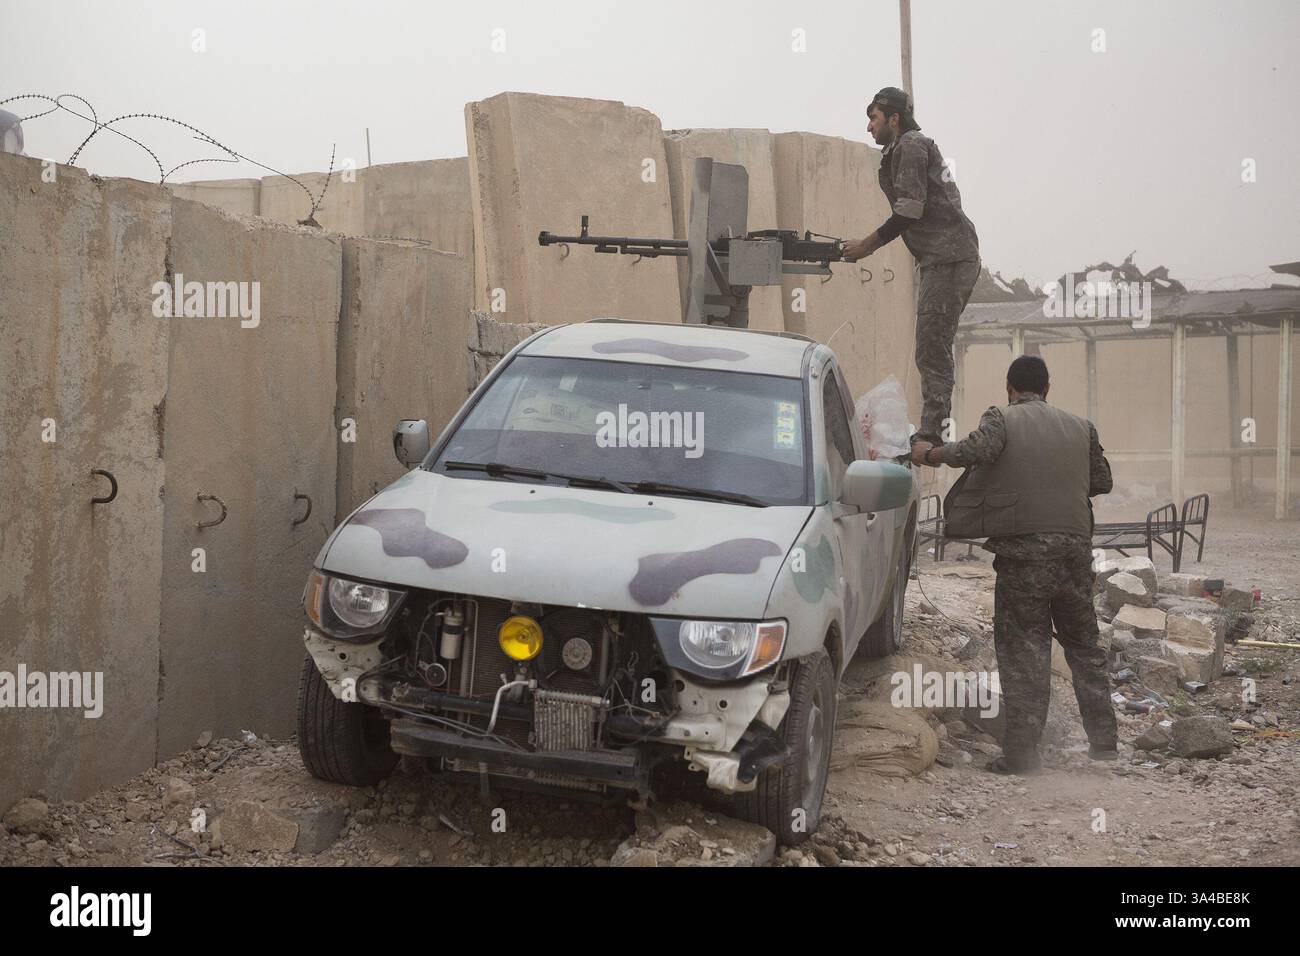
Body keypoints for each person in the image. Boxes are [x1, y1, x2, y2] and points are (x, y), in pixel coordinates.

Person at [911, 355, 1118, 774]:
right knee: (1085, 648)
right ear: (1047, 388)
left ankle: (1023, 755)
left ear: (1010, 388)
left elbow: (977, 450)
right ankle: (1105, 744)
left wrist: (931, 454)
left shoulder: (1001, 417)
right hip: (1076, 553)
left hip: (1025, 556)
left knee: (1025, 650)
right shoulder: (1082, 427)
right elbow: (1102, 481)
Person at [842, 86, 980, 447]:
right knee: (931, 344)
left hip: (949, 257)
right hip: (941, 257)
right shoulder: (901, 150)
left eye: (873, 118)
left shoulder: (912, 146)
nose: (869, 127)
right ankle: (933, 429)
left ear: (894, 118)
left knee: (932, 345)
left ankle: (933, 433)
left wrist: (866, 247)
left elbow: (909, 210)